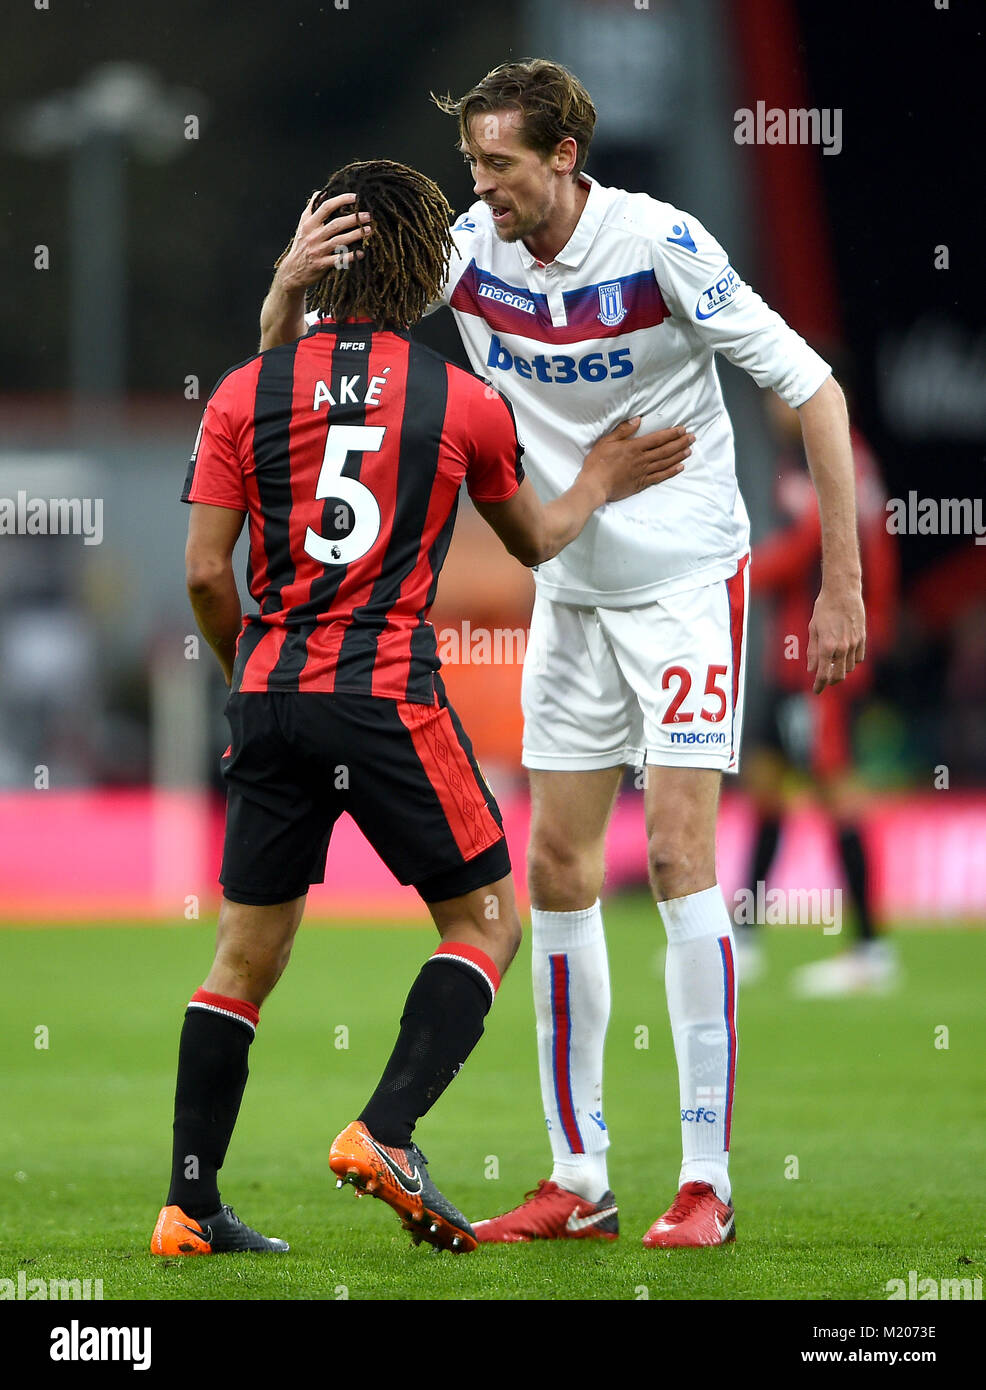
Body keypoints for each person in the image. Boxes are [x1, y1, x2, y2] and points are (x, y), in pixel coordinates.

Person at [259, 61, 866, 1249]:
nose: (476, 188)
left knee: (683, 856)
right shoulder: (466, 251)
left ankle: (705, 1181)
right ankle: (578, 1175)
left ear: (563, 160)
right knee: (555, 875)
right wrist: (287, 285)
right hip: (570, 590)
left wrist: (838, 584)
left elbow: (816, 392)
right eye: (470, 164)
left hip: (688, 583)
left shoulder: (660, 246)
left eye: (498, 165)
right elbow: (311, 368)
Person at [150, 157, 691, 1258]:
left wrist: (244, 671)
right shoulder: (461, 399)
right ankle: (386, 1129)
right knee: (489, 919)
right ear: (428, 269)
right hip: (385, 693)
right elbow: (535, 540)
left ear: (317, 263)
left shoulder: (243, 390)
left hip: (269, 692)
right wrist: (596, 476)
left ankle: (187, 1207)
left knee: (240, 960)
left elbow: (209, 573)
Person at [736, 391, 898, 995]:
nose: (775, 403)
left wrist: (731, 574)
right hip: (792, 660)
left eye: (782, 390)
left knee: (834, 784)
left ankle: (871, 946)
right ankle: (746, 934)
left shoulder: (838, 462)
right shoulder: (809, 457)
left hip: (822, 661)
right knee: (768, 783)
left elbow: (811, 548)